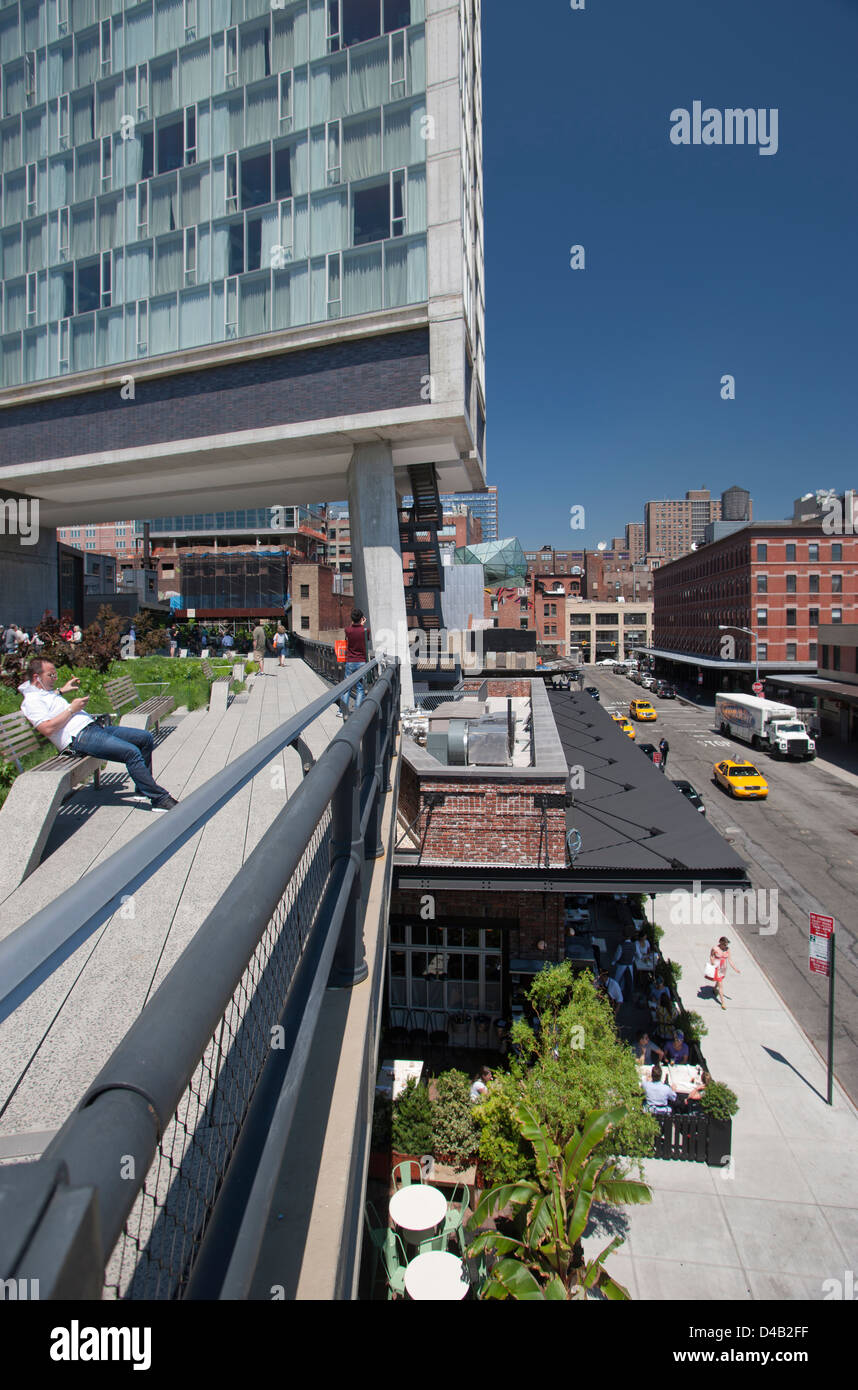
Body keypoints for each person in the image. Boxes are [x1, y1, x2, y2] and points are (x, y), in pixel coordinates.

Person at [19, 659, 178, 813]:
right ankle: (160, 799)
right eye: (51, 675)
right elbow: (47, 728)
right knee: (131, 753)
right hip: (79, 738)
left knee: (144, 738)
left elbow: (48, 698)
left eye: (55, 675)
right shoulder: (31, 701)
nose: (55, 679)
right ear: (36, 677)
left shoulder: (43, 692)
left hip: (93, 729)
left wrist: (62, 690)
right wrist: (71, 709)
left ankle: (143, 790)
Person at [340, 609, 369, 717]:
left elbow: (350, 631)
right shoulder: (365, 630)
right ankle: (357, 711)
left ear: (352, 619)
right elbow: (366, 639)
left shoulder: (347, 630)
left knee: (347, 687)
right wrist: (362, 625)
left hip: (350, 661)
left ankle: (342, 711)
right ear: (362, 618)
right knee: (360, 688)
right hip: (361, 661)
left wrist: (356, 623)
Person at [709, 935, 741, 1010]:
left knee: (719, 980)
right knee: (721, 985)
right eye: (724, 944)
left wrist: (735, 968)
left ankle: (714, 988)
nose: (725, 946)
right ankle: (722, 1003)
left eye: (726, 945)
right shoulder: (715, 948)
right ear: (720, 943)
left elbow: (730, 960)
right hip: (717, 967)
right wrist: (712, 963)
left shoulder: (727, 949)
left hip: (723, 968)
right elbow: (711, 956)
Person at [611, 929, 636, 1000]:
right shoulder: (633, 945)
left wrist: (613, 962)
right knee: (628, 980)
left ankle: (613, 993)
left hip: (622, 964)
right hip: (630, 965)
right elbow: (634, 956)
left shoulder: (621, 945)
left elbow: (617, 956)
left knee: (617, 979)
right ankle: (625, 993)